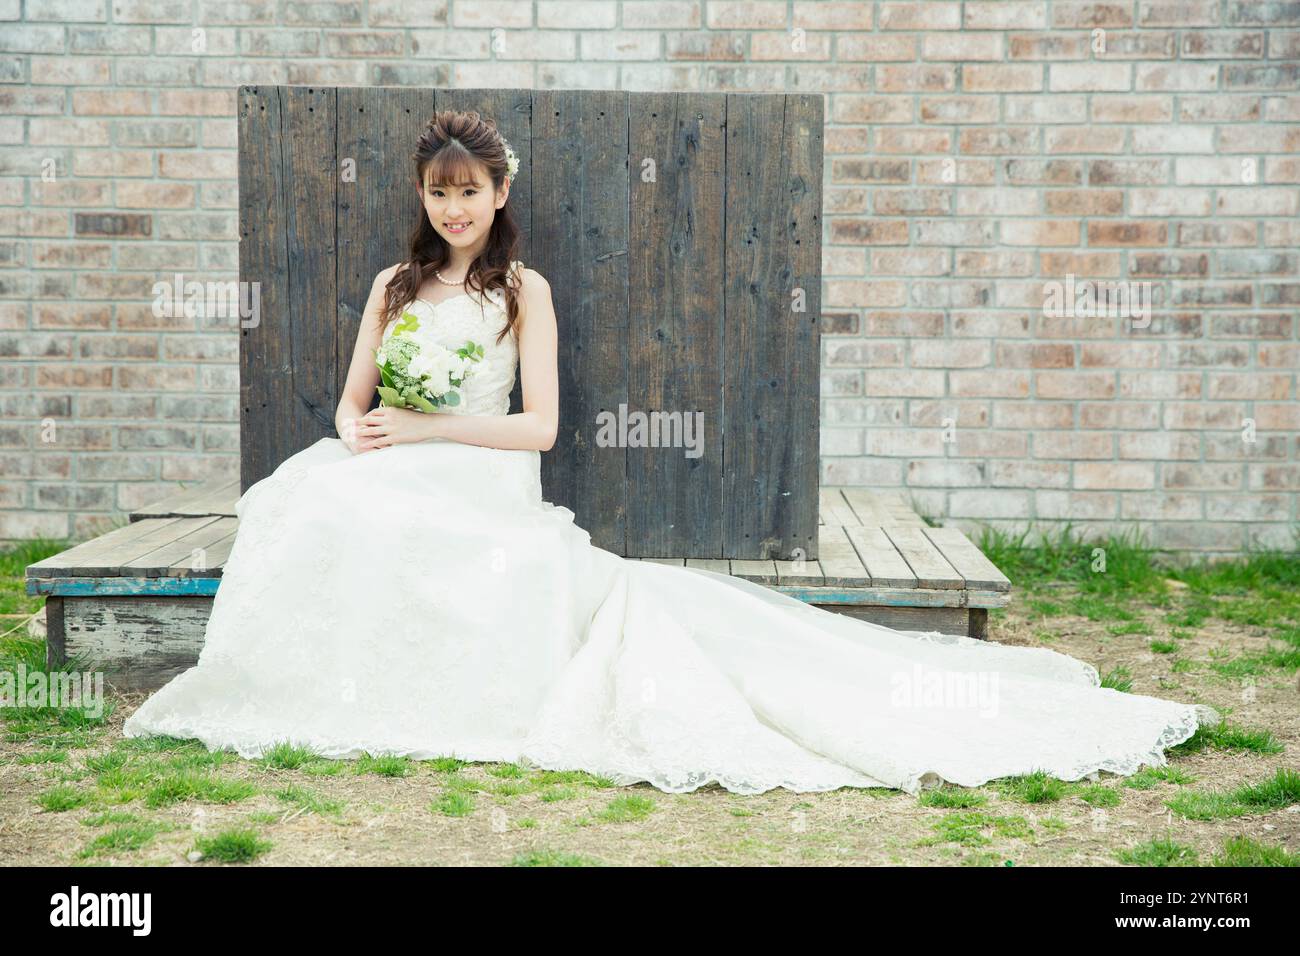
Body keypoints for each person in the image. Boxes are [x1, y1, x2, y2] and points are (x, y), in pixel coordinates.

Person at [123, 110, 1216, 795]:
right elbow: (349, 405)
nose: (454, 208)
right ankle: (333, 688)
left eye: (471, 191)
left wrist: (425, 429)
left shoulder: (522, 290)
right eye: (438, 192)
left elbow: (540, 427)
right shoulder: (391, 288)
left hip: (482, 470)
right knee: (304, 499)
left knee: (409, 514)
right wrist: (363, 430)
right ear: (421, 197)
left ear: (500, 194)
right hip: (395, 459)